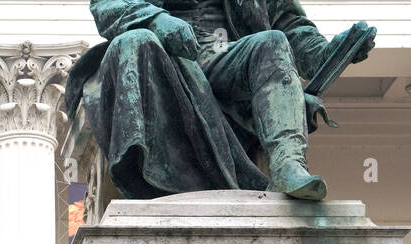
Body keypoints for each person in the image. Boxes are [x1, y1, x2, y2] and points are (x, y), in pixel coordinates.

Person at [64, 0, 375, 200]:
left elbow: (289, 24)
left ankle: (288, 164)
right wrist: (156, 20)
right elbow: (108, 4)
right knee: (136, 41)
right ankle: (142, 177)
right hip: (165, 57)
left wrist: (328, 54)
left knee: (271, 42)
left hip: (225, 58)